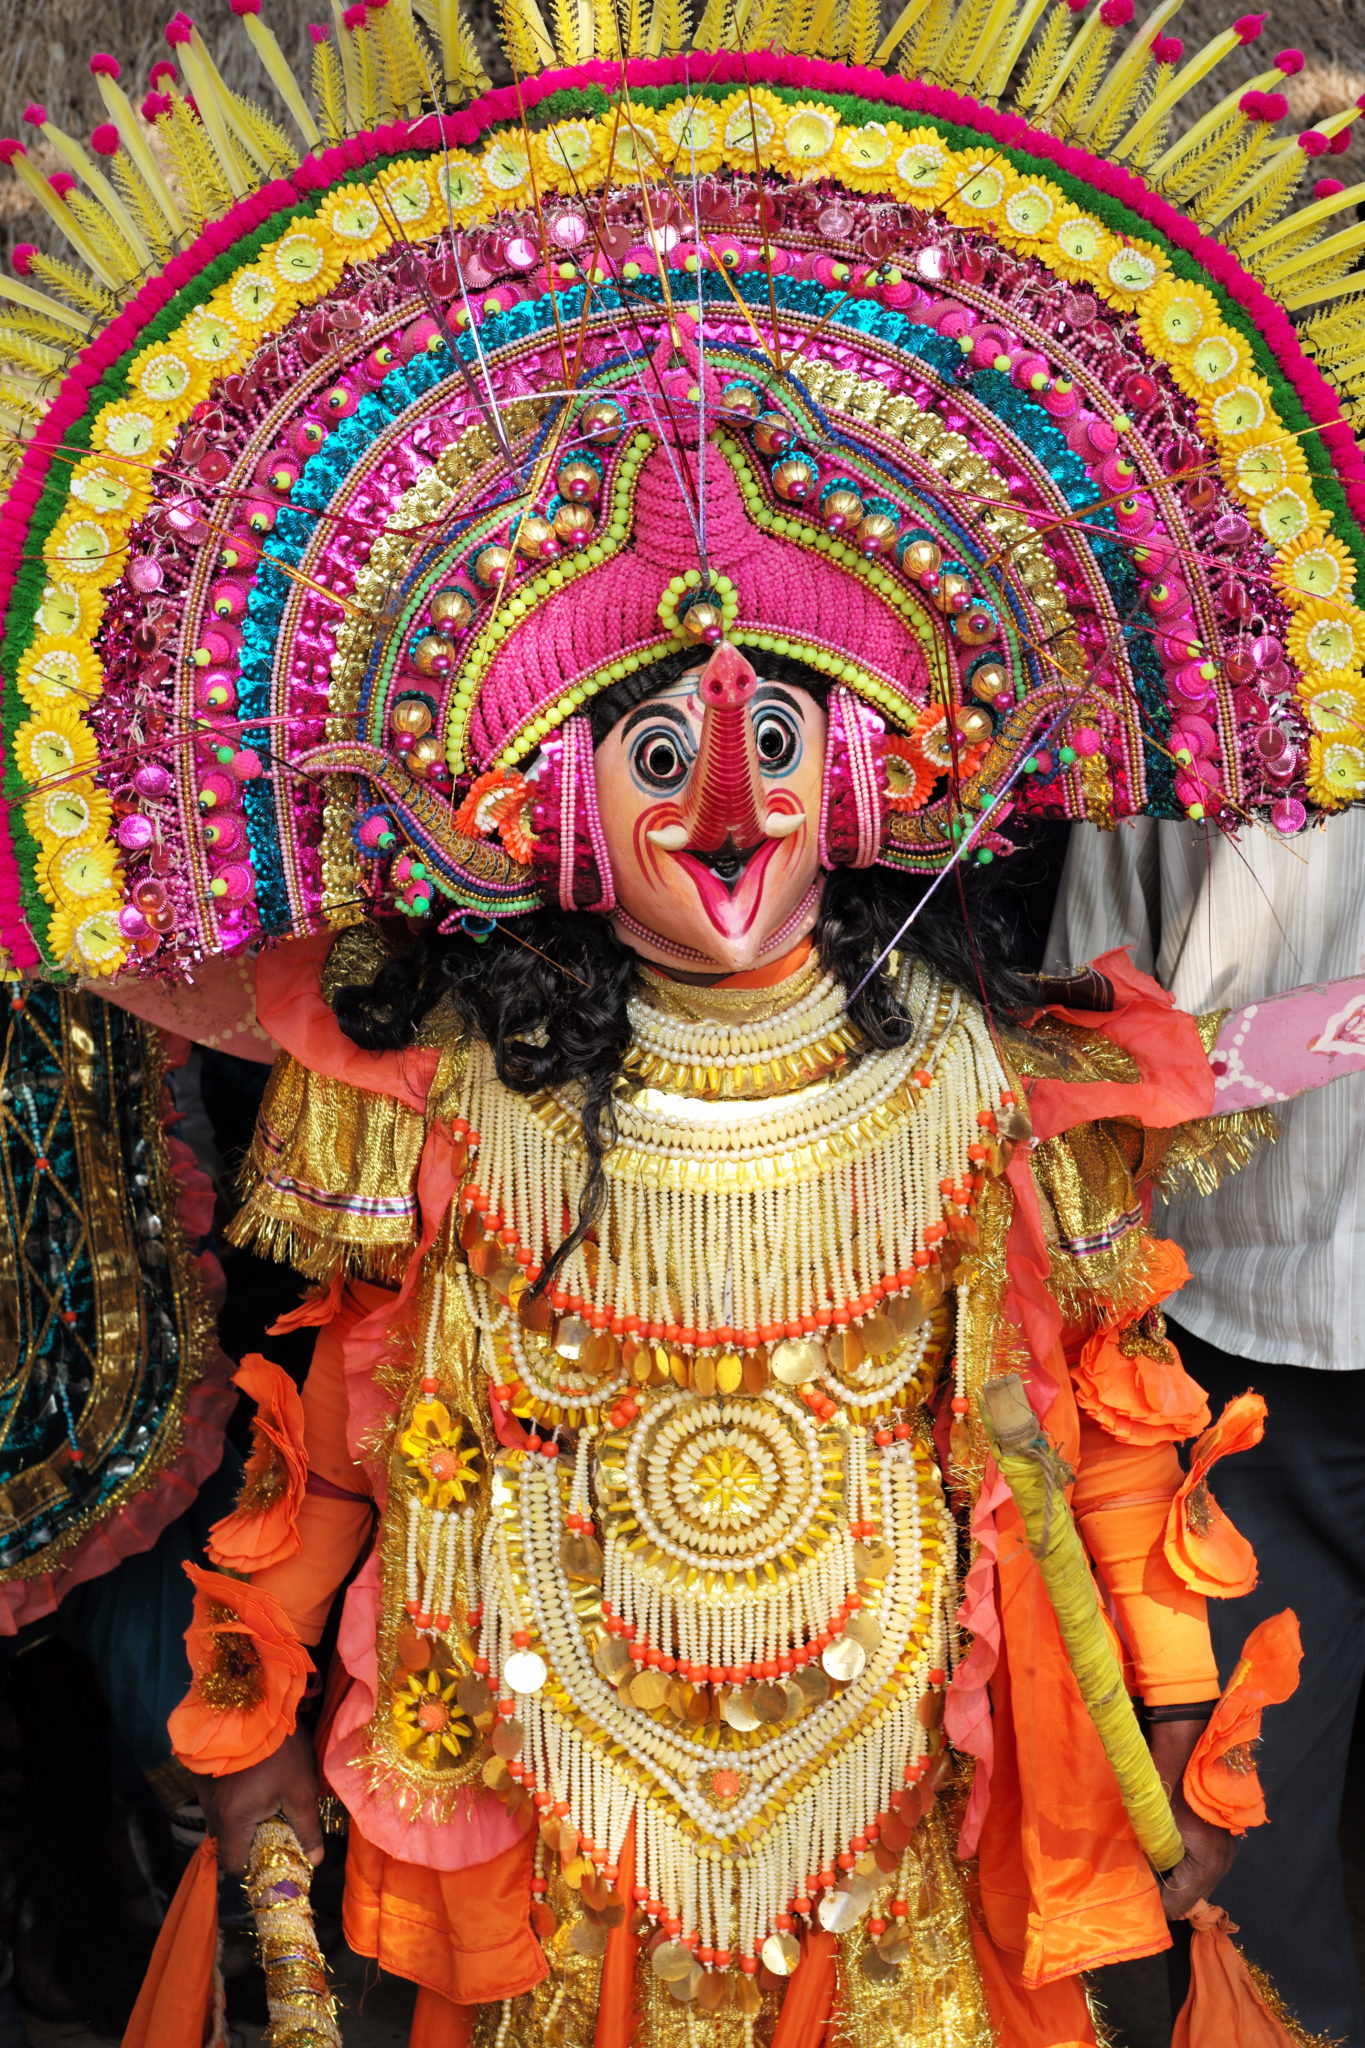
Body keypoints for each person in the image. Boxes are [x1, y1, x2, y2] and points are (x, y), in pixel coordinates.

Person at [3, 1, 1365, 2041]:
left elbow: (1074, 1443)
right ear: (547, 791)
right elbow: (360, 1437)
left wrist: (1157, 1731)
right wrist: (263, 1703)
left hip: (893, 1808)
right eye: (656, 745)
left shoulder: (986, 1081)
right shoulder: (429, 1091)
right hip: (547, 1814)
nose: (723, 801)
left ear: (870, 769)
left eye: (776, 736)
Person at [1049, 814, 1365, 2048]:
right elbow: (1082, 1005)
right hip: (1233, 1348)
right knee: (1242, 1864)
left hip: (1232, 1294)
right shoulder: (1187, 644)